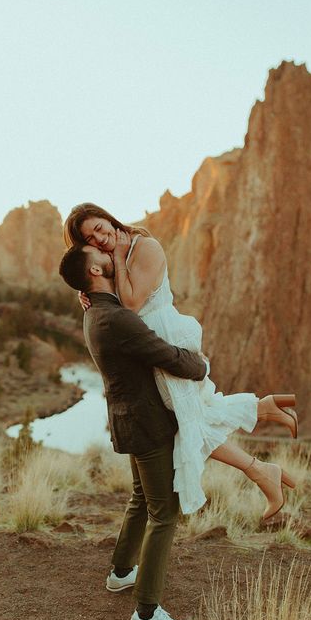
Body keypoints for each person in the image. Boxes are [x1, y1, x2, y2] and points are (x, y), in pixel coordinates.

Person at [64, 202, 298, 519]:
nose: (101, 238)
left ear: (109, 219)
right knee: (188, 418)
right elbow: (118, 302)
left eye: (101, 228)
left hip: (167, 336)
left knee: (186, 423)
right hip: (153, 338)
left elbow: (130, 304)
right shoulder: (114, 259)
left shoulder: (143, 246)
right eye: (91, 238)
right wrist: (90, 293)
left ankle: (261, 469)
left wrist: (118, 259)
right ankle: (263, 414)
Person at [58, 242, 209, 620]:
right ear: (93, 271)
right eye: (98, 255)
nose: (106, 254)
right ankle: (147, 612)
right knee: (165, 512)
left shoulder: (96, 312)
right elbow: (168, 356)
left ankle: (121, 572)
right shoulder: (115, 318)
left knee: (142, 498)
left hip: (128, 420)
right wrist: (202, 365)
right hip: (146, 423)